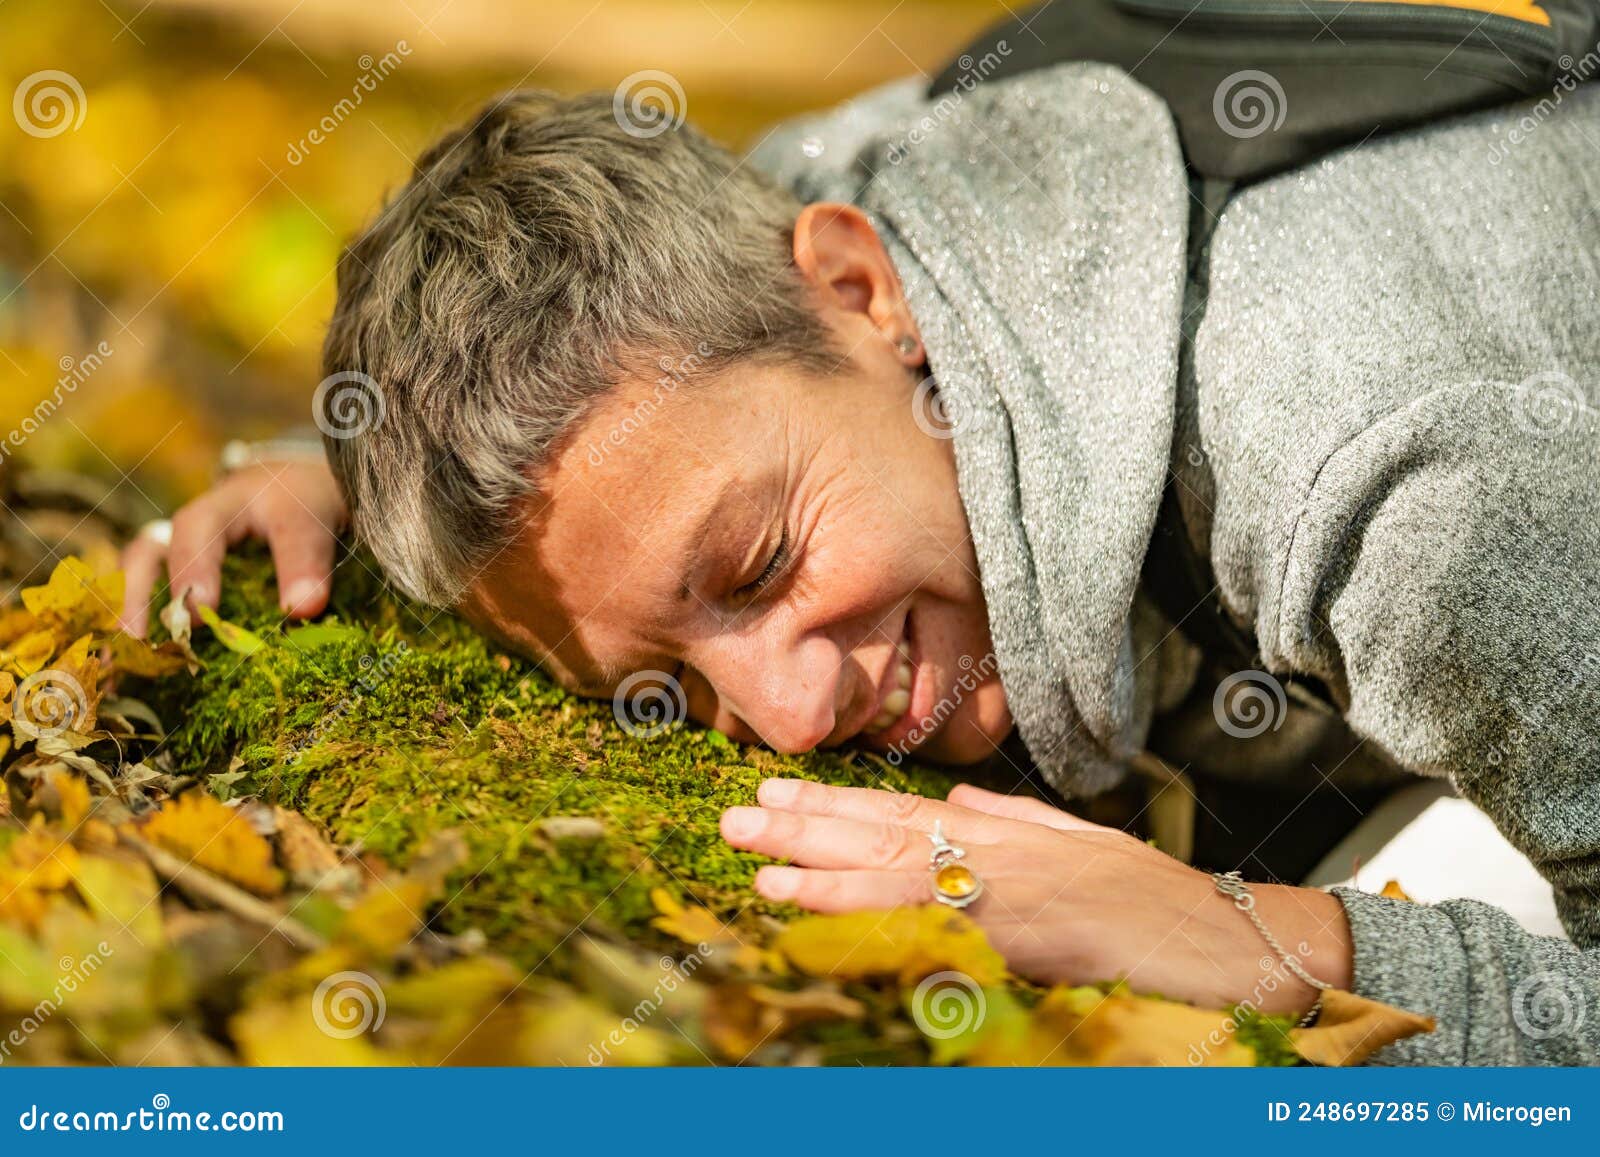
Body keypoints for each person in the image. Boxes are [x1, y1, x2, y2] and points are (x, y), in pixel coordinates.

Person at [121, 58, 1600, 1065]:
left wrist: (1256, 939)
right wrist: (341, 467)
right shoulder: (797, 261)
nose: (782, 715)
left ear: (858, 286)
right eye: (669, 680)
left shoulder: (1397, 490)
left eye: (760, 565)